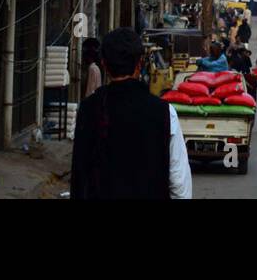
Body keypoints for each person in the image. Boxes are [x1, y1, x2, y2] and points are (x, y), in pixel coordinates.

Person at [70, 27, 191, 199]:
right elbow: (179, 184)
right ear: (139, 64)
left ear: (104, 64)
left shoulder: (87, 109)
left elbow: (79, 176)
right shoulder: (164, 112)